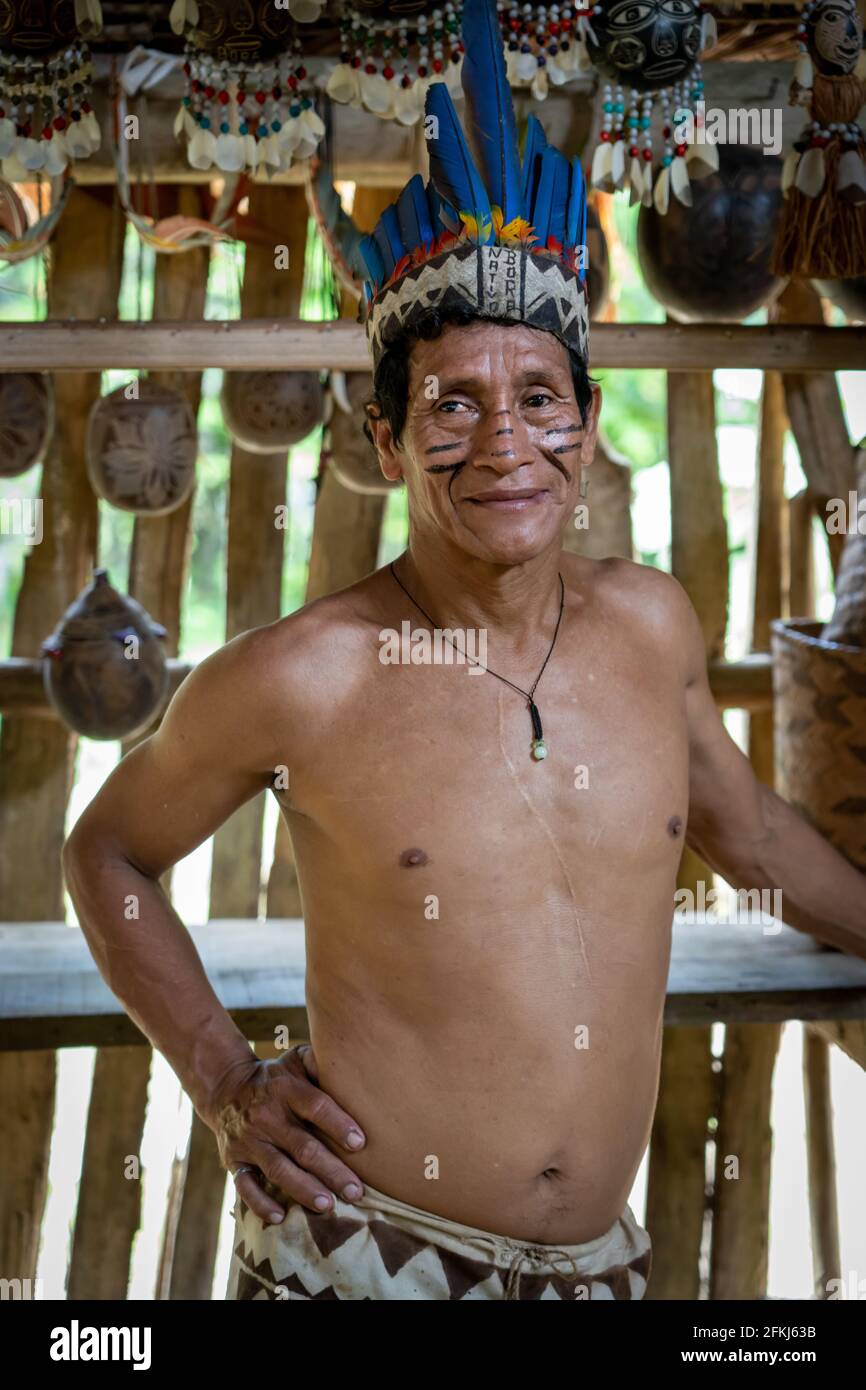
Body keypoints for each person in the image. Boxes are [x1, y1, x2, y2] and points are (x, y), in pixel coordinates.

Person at [63, 0, 866, 1301]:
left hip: (600, 1266)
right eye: (451, 403)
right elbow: (106, 850)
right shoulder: (298, 677)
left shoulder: (649, 622)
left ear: (585, 424)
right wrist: (222, 1075)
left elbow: (753, 840)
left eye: (536, 397)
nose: (501, 441)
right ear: (386, 444)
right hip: (361, 1258)